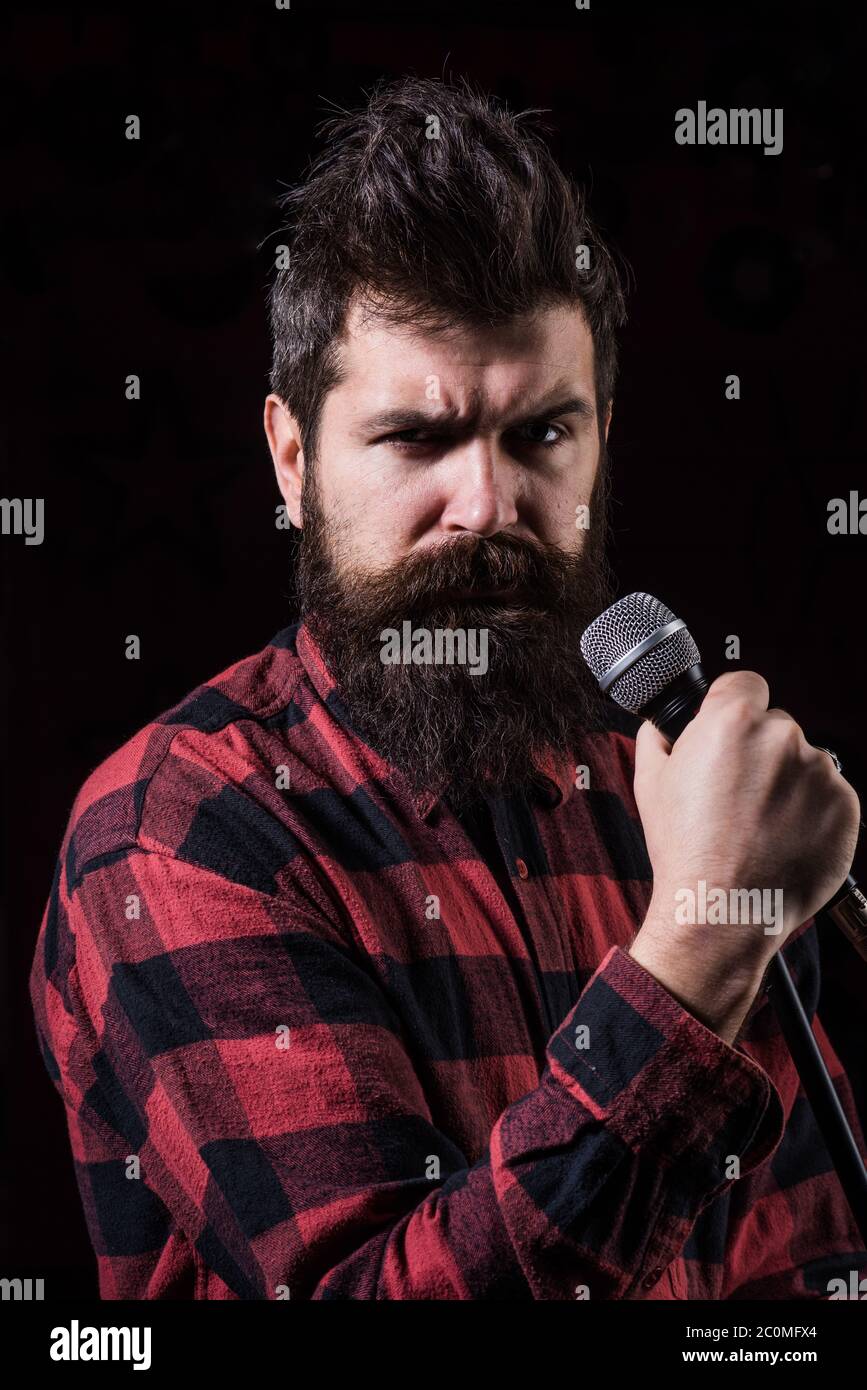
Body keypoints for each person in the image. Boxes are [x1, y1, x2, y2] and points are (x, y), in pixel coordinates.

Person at [29, 75, 865, 1300]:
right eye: (417, 439)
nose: (489, 507)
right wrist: (701, 940)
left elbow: (804, 1266)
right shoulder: (180, 829)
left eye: (543, 436)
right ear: (293, 456)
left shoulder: (665, 788)